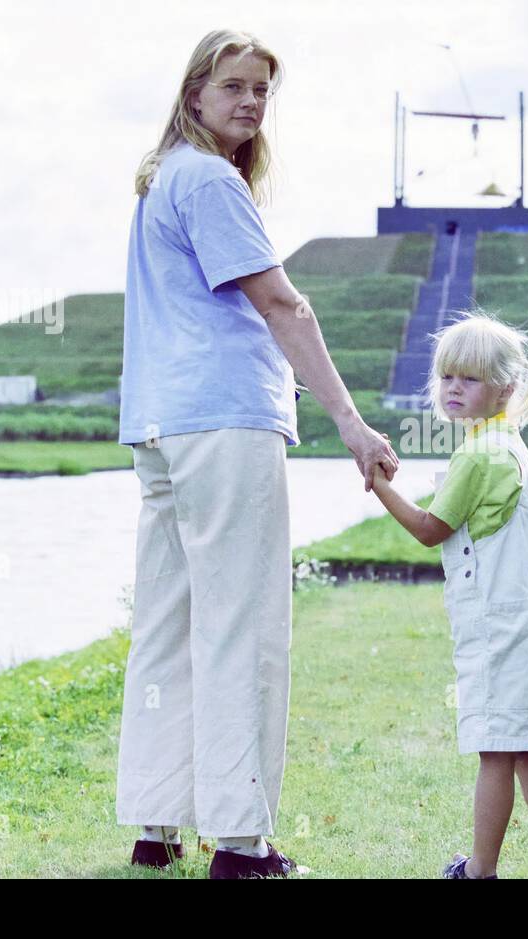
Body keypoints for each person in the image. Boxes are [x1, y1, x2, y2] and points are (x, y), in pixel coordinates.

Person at [115, 29, 399, 880]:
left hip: (163, 427)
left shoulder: (165, 178)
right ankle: (242, 844)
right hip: (224, 424)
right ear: (194, 92)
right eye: (232, 85)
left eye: (262, 90)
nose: (248, 101)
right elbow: (285, 308)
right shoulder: (206, 180)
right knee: (243, 629)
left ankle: (155, 825)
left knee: (169, 627)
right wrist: (352, 422)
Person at [367, 311, 528, 879]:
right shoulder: (509, 444)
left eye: (468, 378)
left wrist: (378, 483)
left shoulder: (476, 453)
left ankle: (480, 871)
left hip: (498, 625)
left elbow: (429, 529)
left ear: (505, 386)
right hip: (523, 622)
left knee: (497, 749)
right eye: (447, 376)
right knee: (523, 748)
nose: (453, 388)